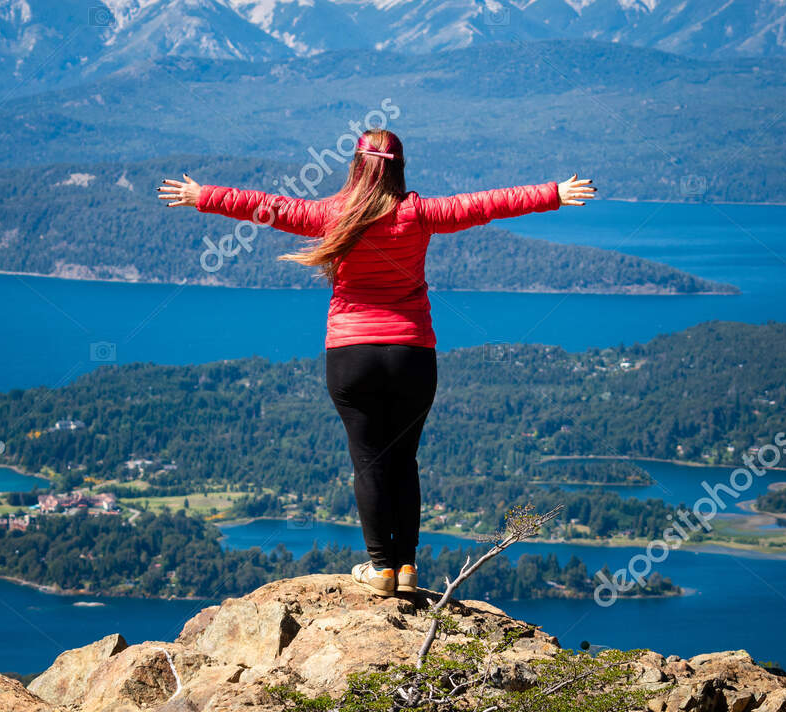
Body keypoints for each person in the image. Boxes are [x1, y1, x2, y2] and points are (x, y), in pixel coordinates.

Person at [159, 130, 595, 596]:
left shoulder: (332, 215)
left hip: (351, 356)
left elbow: (267, 206)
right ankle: (407, 568)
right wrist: (554, 193)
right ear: (399, 167)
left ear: (356, 166)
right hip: (412, 354)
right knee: (404, 463)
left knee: (368, 463)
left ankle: (380, 569)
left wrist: (203, 195)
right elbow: (486, 204)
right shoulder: (420, 214)